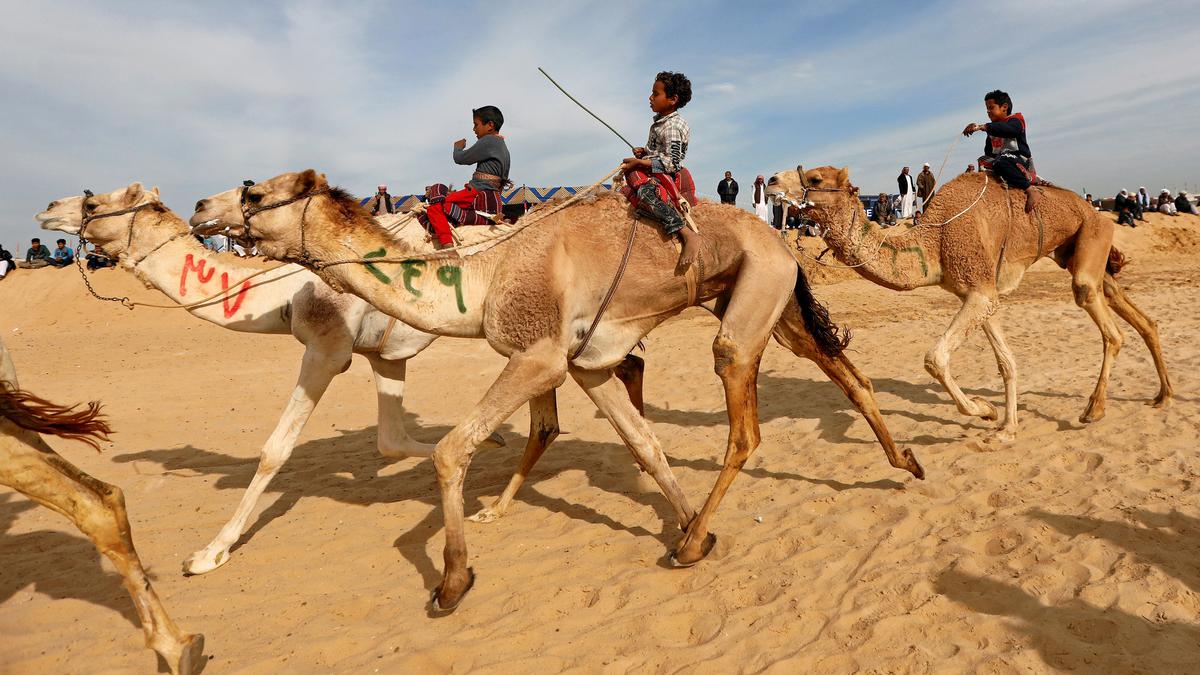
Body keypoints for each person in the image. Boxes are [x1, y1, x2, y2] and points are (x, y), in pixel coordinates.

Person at [619, 70, 701, 268]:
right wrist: (644, 152)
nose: (650, 97)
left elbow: (672, 162)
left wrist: (640, 163)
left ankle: (685, 233)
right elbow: (657, 151)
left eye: (656, 94)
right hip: (655, 168)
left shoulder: (673, 126)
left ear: (672, 99)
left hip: (667, 174)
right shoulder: (659, 123)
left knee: (646, 193)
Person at [420, 105, 510, 249]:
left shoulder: (489, 141)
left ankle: (447, 245)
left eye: (476, 125)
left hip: (476, 193)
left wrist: (457, 147)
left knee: (435, 206)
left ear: (490, 126)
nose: (474, 129)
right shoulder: (501, 145)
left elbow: (461, 158)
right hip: (492, 197)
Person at [963, 89, 1041, 212]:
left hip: (1018, 161)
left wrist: (983, 127)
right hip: (1000, 161)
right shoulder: (992, 130)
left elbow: (1009, 130)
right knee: (983, 160)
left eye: (991, 107)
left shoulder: (1016, 120)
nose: (988, 111)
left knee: (1002, 160)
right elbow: (989, 152)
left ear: (1004, 107)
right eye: (987, 109)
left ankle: (1030, 189)